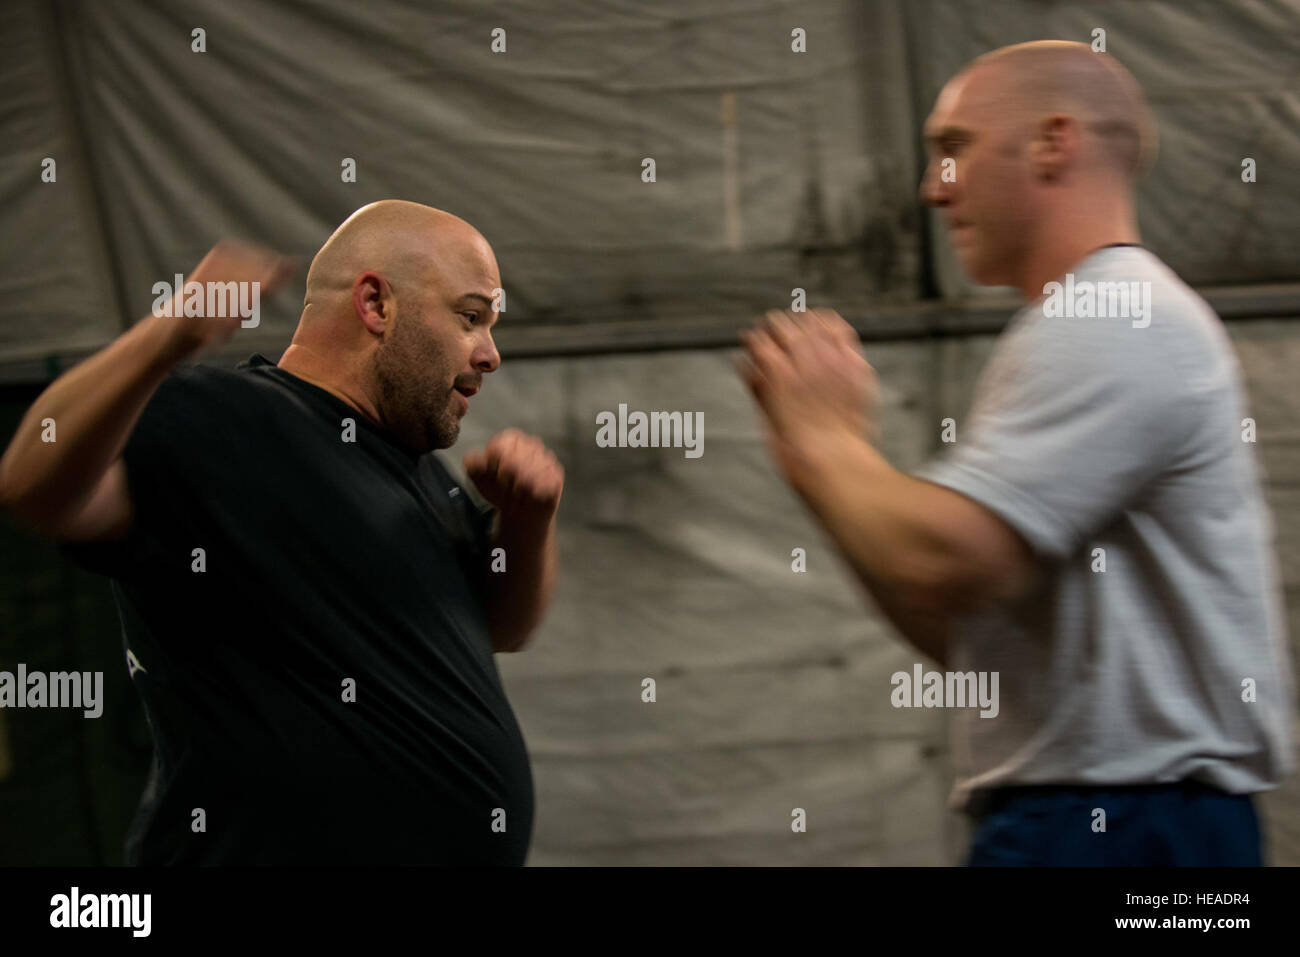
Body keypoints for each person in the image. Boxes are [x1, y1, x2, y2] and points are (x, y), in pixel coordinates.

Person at [738, 41, 1293, 865]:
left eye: (954, 148)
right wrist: (817, 461)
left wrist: (826, 440)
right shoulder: (1089, 320)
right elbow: (970, 626)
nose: (932, 188)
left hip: (1121, 822)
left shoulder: (1114, 315)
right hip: (1120, 815)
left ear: (1051, 143)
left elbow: (950, 561)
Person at [0, 200, 564, 865]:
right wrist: (169, 335)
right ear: (375, 304)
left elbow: (504, 628)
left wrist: (528, 525)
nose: (490, 353)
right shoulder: (221, 419)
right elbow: (33, 482)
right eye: (471, 316)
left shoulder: (426, 478)